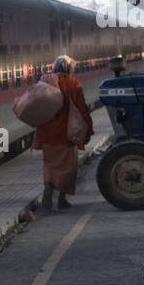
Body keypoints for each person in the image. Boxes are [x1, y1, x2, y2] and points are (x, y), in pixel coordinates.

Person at [33, 55, 93, 211]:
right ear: (69, 68)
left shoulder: (45, 81)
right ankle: (61, 199)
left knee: (49, 164)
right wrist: (88, 128)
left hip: (47, 131)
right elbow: (82, 109)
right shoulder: (74, 84)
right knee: (68, 166)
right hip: (67, 132)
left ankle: (48, 188)